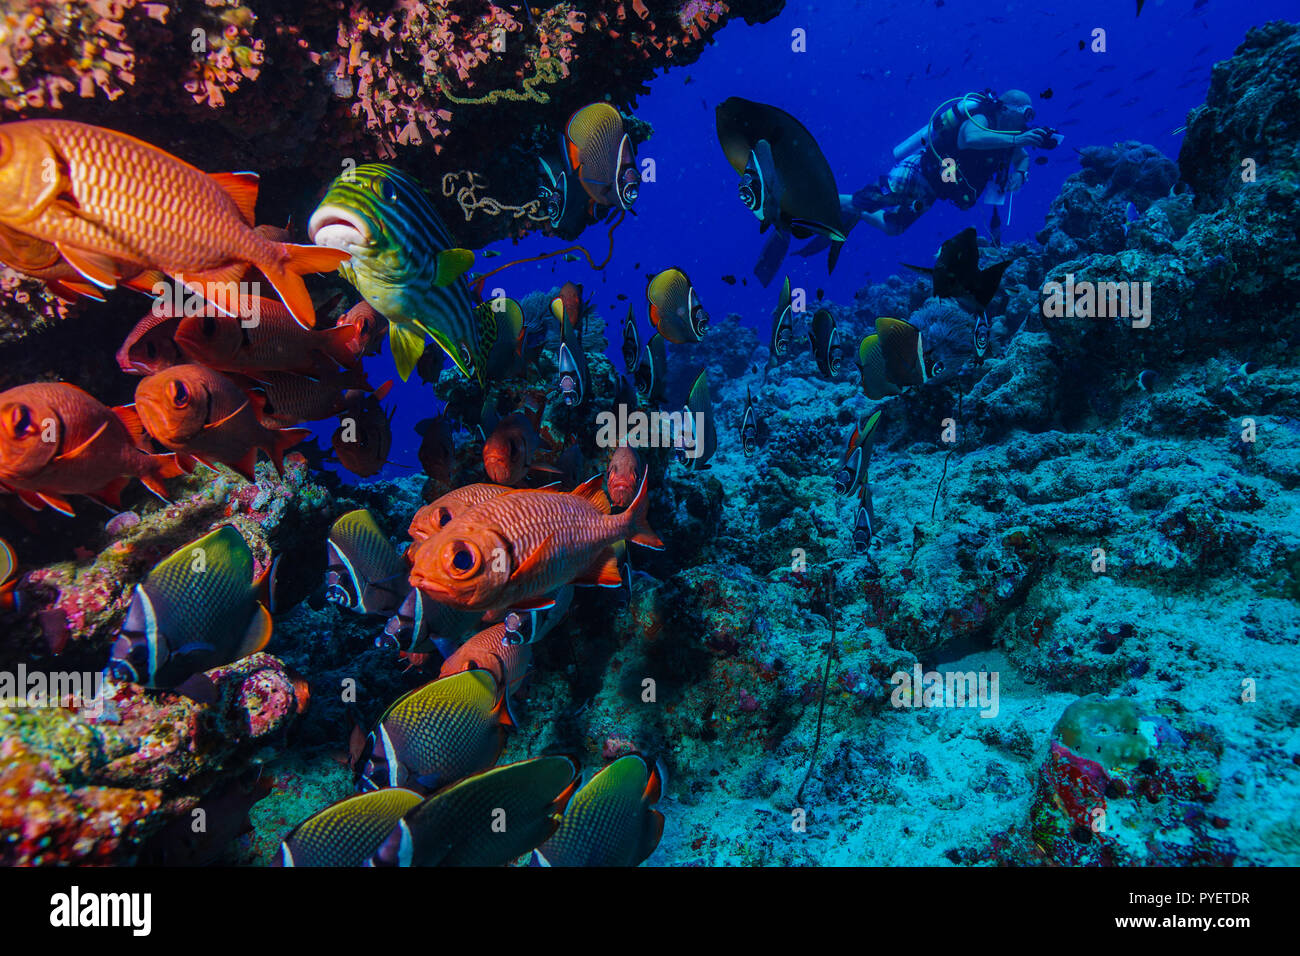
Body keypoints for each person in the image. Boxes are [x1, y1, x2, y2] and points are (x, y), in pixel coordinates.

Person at [844, 89, 1057, 236]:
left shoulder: (1007, 139)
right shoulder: (981, 118)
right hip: (918, 173)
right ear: (1004, 109)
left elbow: (1023, 158)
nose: (1026, 122)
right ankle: (824, 203)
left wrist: (1020, 174)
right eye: (1025, 113)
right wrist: (1017, 139)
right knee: (865, 200)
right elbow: (970, 138)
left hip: (934, 189)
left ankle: (855, 212)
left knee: (894, 228)